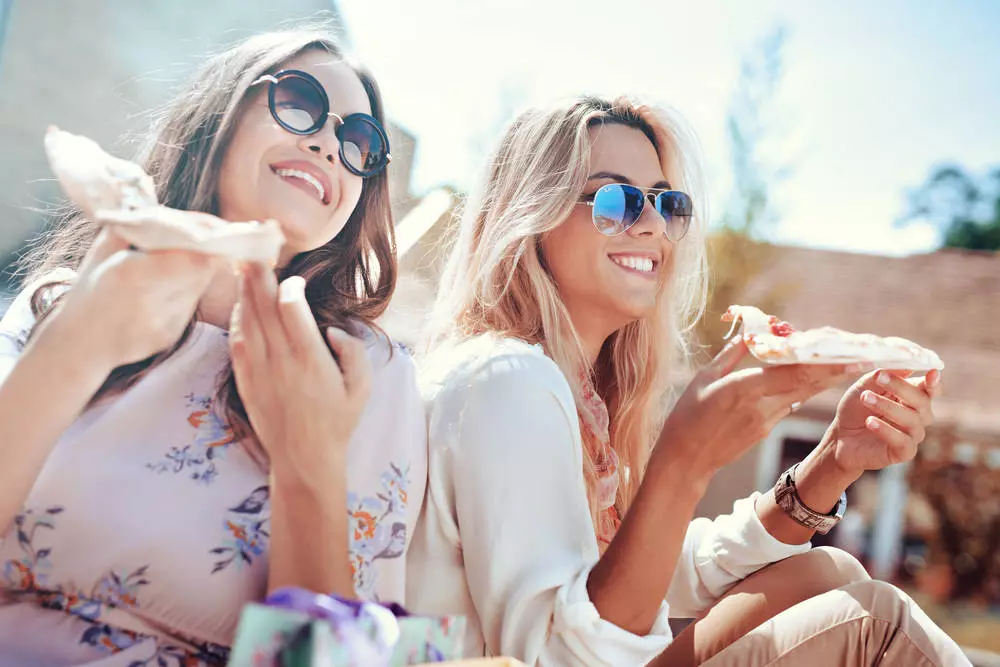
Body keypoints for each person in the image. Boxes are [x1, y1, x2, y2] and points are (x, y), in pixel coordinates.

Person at [406, 96, 970, 666]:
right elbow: (560, 656)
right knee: (875, 623)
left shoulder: (566, 389)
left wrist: (835, 461)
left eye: (665, 203)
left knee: (831, 572)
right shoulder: (508, 380)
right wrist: (683, 464)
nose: (652, 225)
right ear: (530, 214)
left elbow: (654, 570)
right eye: (617, 199)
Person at [0, 28, 426, 666]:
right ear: (217, 118)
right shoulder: (66, 297)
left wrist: (309, 463)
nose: (329, 145)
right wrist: (73, 353)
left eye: (360, 142)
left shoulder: (364, 371)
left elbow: (348, 660)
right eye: (300, 102)